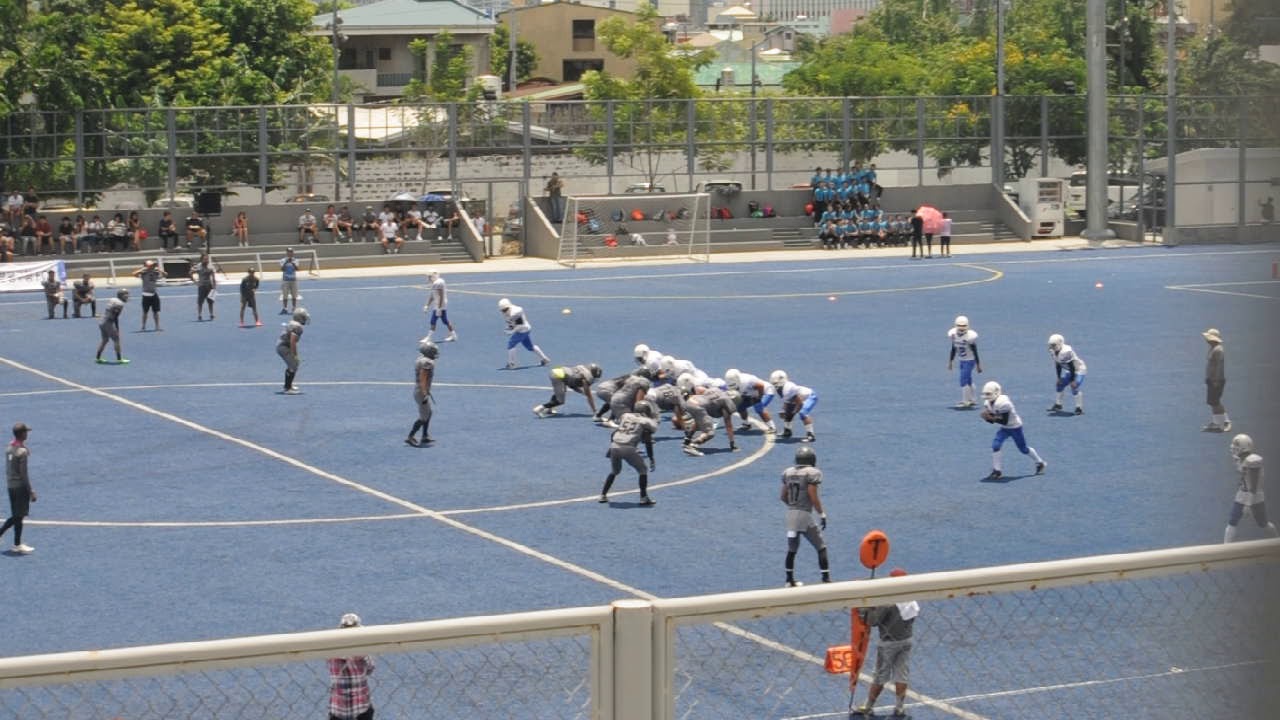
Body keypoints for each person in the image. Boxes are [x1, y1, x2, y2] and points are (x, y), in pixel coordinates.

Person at [855, 567, 920, 717]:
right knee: (901, 674)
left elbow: (872, 621)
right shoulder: (911, 599)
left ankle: (868, 706)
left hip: (888, 643)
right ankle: (899, 707)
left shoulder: (888, 603)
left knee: (880, 675)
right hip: (906, 640)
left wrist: (865, 609)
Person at [781, 445, 829, 587]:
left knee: (792, 549)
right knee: (821, 546)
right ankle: (826, 579)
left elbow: (783, 496)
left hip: (790, 514)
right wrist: (822, 513)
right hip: (804, 514)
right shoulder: (812, 473)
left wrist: (793, 506)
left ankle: (789, 580)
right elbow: (812, 495)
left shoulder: (788, 473)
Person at [980, 381, 1046, 480]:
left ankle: (1040, 462)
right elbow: (994, 420)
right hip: (1005, 428)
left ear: (996, 392)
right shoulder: (988, 403)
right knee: (996, 445)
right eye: (986, 394)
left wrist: (989, 418)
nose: (987, 396)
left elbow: (1004, 421)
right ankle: (997, 471)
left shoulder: (1004, 403)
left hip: (1014, 427)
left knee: (1023, 449)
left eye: (988, 394)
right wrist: (987, 418)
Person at [598, 399, 658, 506]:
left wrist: (610, 448)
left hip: (614, 446)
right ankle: (644, 497)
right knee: (643, 470)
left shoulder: (625, 416)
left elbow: (614, 434)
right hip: (628, 448)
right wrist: (651, 458)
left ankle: (603, 495)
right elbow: (648, 440)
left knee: (615, 471)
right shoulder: (646, 422)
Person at [1223, 434, 1278, 542]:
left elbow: (1253, 486)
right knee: (1232, 521)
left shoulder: (1253, 461)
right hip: (1242, 494)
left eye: (1236, 448)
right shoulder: (1241, 459)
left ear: (1244, 449)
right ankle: (1225, 548)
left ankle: (1277, 540)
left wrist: (1248, 504)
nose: (1233, 450)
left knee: (1263, 524)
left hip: (1255, 496)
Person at [327, 613, 375, 720]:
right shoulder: (362, 653)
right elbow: (370, 668)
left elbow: (330, 667)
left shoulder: (331, 653)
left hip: (338, 709)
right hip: (360, 707)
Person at [2, 422, 37, 554]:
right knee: (19, 515)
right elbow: (23, 474)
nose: (27, 434)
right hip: (20, 487)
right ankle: (17, 544)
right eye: (26, 432)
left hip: (11, 486)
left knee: (17, 515)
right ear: (22, 434)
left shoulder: (9, 448)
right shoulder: (22, 452)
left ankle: (16, 542)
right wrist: (31, 491)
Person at [498, 297, 550, 369]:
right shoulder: (508, 312)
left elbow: (520, 325)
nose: (505, 311)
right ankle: (544, 359)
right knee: (530, 347)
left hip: (522, 330)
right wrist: (509, 327)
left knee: (511, 344)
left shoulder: (515, 312)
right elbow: (511, 322)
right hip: (525, 329)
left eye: (506, 309)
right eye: (503, 310)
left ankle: (511, 364)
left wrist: (512, 331)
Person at [770, 370, 817, 443]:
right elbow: (787, 400)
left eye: (776, 383)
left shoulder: (788, 388)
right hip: (798, 399)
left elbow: (800, 403)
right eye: (774, 383)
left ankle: (811, 435)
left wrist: (794, 412)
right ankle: (787, 431)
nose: (775, 385)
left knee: (802, 413)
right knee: (788, 413)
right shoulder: (781, 388)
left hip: (809, 396)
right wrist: (784, 410)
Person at [407, 338, 438, 446]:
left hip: (419, 390)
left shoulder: (420, 359)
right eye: (433, 351)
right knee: (424, 416)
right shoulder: (427, 363)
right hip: (421, 391)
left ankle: (425, 435)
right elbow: (423, 378)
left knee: (428, 413)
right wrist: (425, 393)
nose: (435, 353)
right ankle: (410, 436)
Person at [725, 368, 776, 434]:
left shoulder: (747, 380)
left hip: (765, 391)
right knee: (739, 406)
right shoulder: (730, 382)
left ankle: (772, 427)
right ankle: (746, 424)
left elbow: (761, 386)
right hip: (750, 393)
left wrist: (759, 398)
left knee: (759, 407)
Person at [1046, 333, 1086, 414]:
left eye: (1054, 345)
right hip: (1069, 369)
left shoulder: (1066, 351)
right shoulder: (1053, 351)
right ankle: (1058, 405)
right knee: (1059, 384)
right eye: (1051, 345)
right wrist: (1058, 377)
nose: (1052, 347)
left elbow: (1072, 367)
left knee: (1074, 386)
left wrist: (1072, 380)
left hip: (1079, 370)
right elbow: (1058, 363)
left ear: (1060, 343)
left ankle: (1079, 408)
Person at [947, 315, 982, 408]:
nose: (962, 328)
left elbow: (975, 350)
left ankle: (965, 401)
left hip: (969, 361)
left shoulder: (970, 337)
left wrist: (978, 365)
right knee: (969, 380)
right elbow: (953, 348)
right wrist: (950, 361)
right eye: (960, 326)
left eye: (963, 326)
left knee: (963, 380)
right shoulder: (953, 335)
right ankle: (973, 399)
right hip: (962, 360)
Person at [1203, 328, 1231, 432]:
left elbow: (1219, 366)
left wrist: (1216, 380)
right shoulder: (1213, 348)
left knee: (1216, 402)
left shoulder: (1218, 350)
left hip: (1216, 380)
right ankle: (1216, 423)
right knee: (1212, 402)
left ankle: (1226, 421)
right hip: (1211, 380)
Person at [277, 308, 309, 395]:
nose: (305, 319)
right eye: (304, 317)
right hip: (284, 347)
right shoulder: (297, 327)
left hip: (282, 345)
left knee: (293, 364)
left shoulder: (293, 323)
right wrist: (295, 354)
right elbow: (292, 341)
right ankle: (287, 388)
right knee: (293, 365)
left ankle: (289, 385)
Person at [95, 289, 130, 364]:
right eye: (126, 295)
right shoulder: (120, 304)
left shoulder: (113, 299)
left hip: (102, 321)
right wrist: (117, 328)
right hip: (108, 322)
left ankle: (98, 358)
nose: (127, 296)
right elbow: (115, 317)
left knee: (105, 340)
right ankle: (119, 359)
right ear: (121, 295)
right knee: (116, 339)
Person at [422, 269, 457, 342]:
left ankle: (429, 337)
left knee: (433, 320)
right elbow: (432, 295)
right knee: (445, 320)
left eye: (429, 276)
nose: (428, 278)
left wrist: (439, 308)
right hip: (438, 304)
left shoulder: (439, 283)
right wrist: (427, 305)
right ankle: (453, 335)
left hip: (441, 304)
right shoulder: (435, 283)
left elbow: (441, 296)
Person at [132, 259, 165, 331]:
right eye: (150, 266)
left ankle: (157, 326)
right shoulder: (143, 273)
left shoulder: (155, 272)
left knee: (155, 312)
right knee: (145, 312)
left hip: (154, 294)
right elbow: (134, 274)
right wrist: (142, 269)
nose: (152, 267)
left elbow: (165, 274)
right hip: (146, 295)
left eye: (152, 266)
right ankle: (143, 326)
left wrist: (160, 270)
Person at [192, 254, 217, 321]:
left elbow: (213, 276)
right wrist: (195, 282)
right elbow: (190, 273)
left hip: (210, 286)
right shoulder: (198, 266)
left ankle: (211, 314)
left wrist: (214, 286)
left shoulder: (211, 266)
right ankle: (199, 315)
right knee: (200, 302)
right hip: (201, 286)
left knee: (211, 301)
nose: (206, 260)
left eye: (207, 259)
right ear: (202, 259)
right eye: (205, 259)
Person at [280, 248, 300, 314]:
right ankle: (285, 308)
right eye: (289, 252)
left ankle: (294, 308)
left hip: (293, 280)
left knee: (294, 295)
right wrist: (286, 262)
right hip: (285, 280)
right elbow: (282, 269)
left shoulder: (296, 260)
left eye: (291, 252)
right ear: (286, 253)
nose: (290, 253)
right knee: (285, 295)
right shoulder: (283, 260)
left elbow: (297, 269)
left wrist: (292, 263)